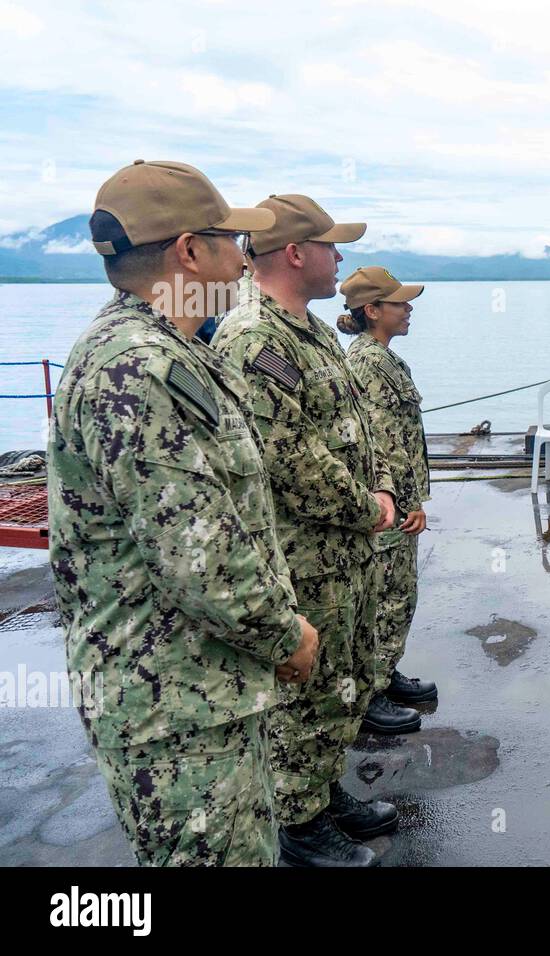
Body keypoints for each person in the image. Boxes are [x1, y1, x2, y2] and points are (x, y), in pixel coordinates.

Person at [48, 160, 319, 866]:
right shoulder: (136, 368)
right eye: (231, 239)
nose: (243, 259)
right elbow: (200, 558)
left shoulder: (165, 351)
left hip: (202, 694)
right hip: (176, 712)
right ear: (189, 252)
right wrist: (284, 635)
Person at [212, 194, 406, 867]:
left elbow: (356, 426)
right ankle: (298, 825)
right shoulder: (255, 339)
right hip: (305, 560)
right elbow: (291, 458)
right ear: (295, 253)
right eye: (331, 246)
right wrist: (368, 506)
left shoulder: (315, 331)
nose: (341, 259)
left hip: (343, 552)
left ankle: (321, 794)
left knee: (341, 683)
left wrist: (381, 483)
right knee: (308, 696)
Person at [337, 266, 438, 708]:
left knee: (399, 593)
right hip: (389, 504)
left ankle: (385, 671)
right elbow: (381, 442)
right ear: (373, 310)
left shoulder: (384, 358)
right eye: (400, 302)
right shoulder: (367, 363)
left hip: (398, 499)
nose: (409, 308)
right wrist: (406, 501)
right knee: (386, 597)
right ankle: (371, 693)